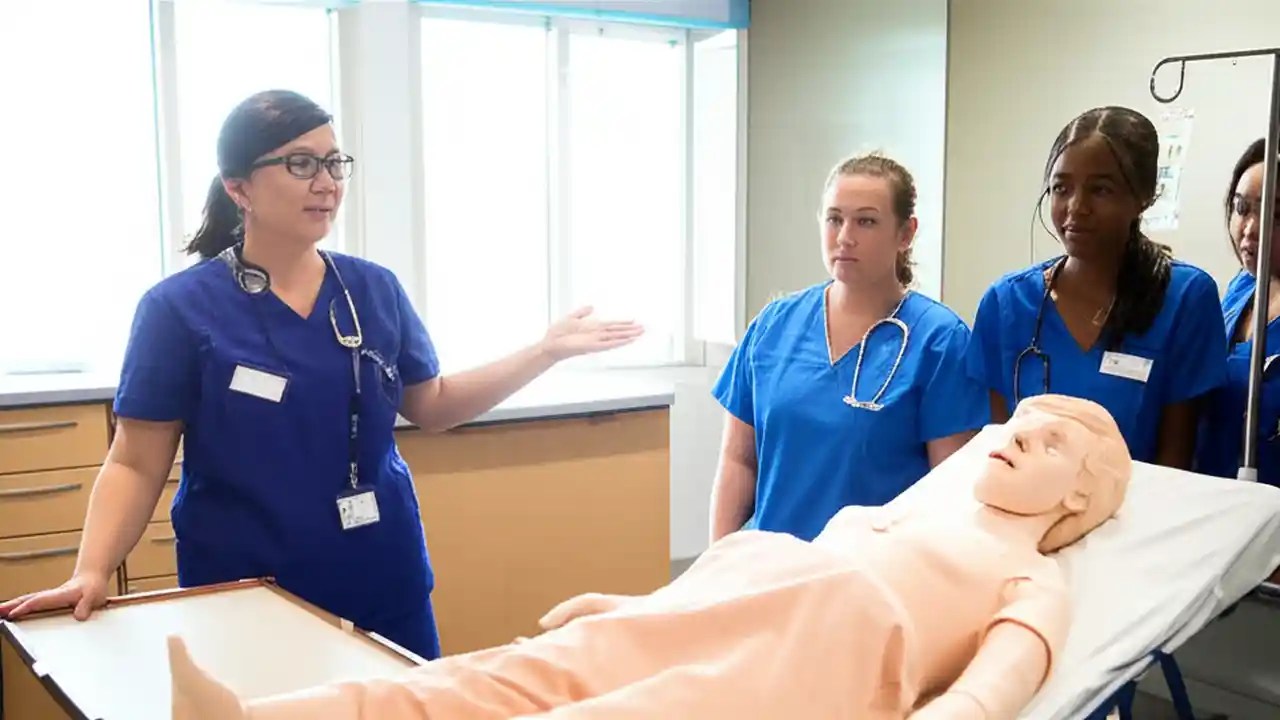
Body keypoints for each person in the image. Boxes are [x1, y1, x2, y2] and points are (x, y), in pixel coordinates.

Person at [0, 90, 642, 661]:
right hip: (245, 590)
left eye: (335, 162)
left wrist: (545, 351)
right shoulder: (178, 309)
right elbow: (135, 462)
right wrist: (91, 570)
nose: (327, 181)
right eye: (300, 163)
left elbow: (435, 405)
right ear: (238, 187)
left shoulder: (373, 290)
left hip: (380, 574)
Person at [166, 393, 1130, 720]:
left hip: (811, 655)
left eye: (1048, 445)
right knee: (502, 674)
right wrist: (630, 604)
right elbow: (758, 562)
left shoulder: (1033, 580)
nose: (1015, 437)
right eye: (1021, 423)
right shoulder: (899, 514)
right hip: (732, 594)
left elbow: (986, 694)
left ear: (1079, 498)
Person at [710, 152, 989, 544]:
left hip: (869, 578)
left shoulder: (939, 341)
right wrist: (717, 564)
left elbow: (948, 497)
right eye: (834, 218)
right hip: (766, 568)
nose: (845, 236)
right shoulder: (774, 326)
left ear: (906, 233)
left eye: (867, 221)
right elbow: (739, 462)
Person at [966, 106, 1228, 469]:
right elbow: (996, 449)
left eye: (1100, 190)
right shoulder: (1006, 304)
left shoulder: (1185, 299)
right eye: (1061, 188)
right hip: (1026, 512)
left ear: (1144, 196)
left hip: (1142, 514)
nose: (1076, 207)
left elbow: (1178, 459)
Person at [1196, 139, 1280, 484]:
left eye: (1276, 214)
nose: (1250, 229)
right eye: (1242, 208)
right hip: (1215, 492)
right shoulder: (1240, 289)